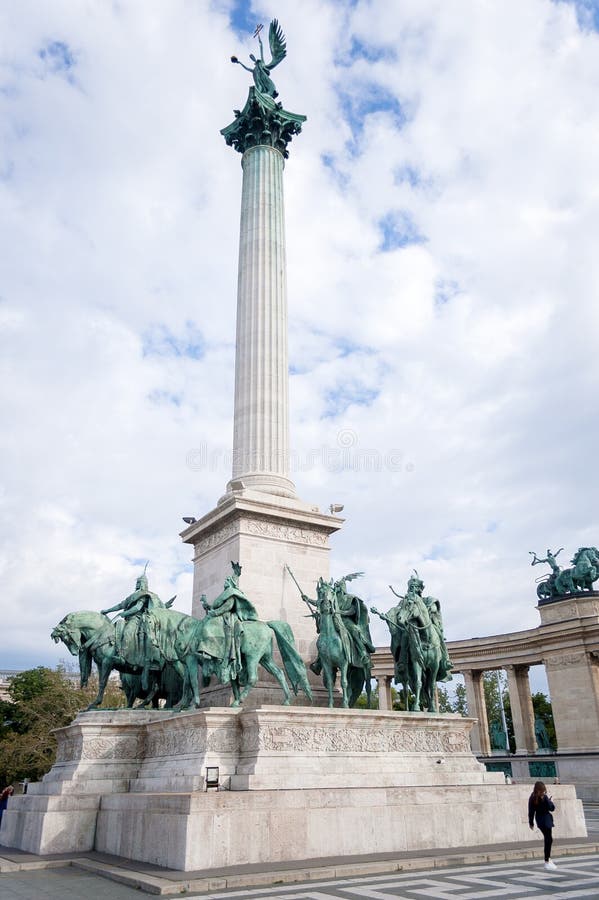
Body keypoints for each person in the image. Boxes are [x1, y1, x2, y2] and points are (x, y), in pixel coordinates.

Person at [528, 780, 556, 870]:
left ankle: (548, 859)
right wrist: (551, 801)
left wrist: (531, 823)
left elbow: (531, 811)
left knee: (548, 839)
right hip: (546, 820)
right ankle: (547, 861)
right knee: (549, 839)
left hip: (539, 820)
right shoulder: (544, 797)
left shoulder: (532, 797)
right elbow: (552, 808)